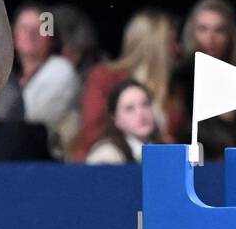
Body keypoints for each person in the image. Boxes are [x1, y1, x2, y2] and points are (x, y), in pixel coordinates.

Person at [73, 9, 179, 161]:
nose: (178, 48)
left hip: (157, 167)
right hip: (107, 166)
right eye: (172, 42)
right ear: (155, 47)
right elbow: (92, 132)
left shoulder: (174, 91)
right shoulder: (104, 78)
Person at [0, 3, 81, 156]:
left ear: (51, 37)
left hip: (47, 157)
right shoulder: (8, 76)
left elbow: (32, 119)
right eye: (24, 28)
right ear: (13, 36)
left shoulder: (61, 70)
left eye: (40, 28)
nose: (31, 34)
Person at [85, 79, 161, 164]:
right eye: (130, 109)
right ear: (115, 119)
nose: (141, 114)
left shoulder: (165, 150)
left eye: (145, 104)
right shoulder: (107, 156)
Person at [181, 0, 236, 67]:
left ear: (230, 35)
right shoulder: (178, 76)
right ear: (191, 32)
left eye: (219, 30)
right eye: (203, 29)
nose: (210, 37)